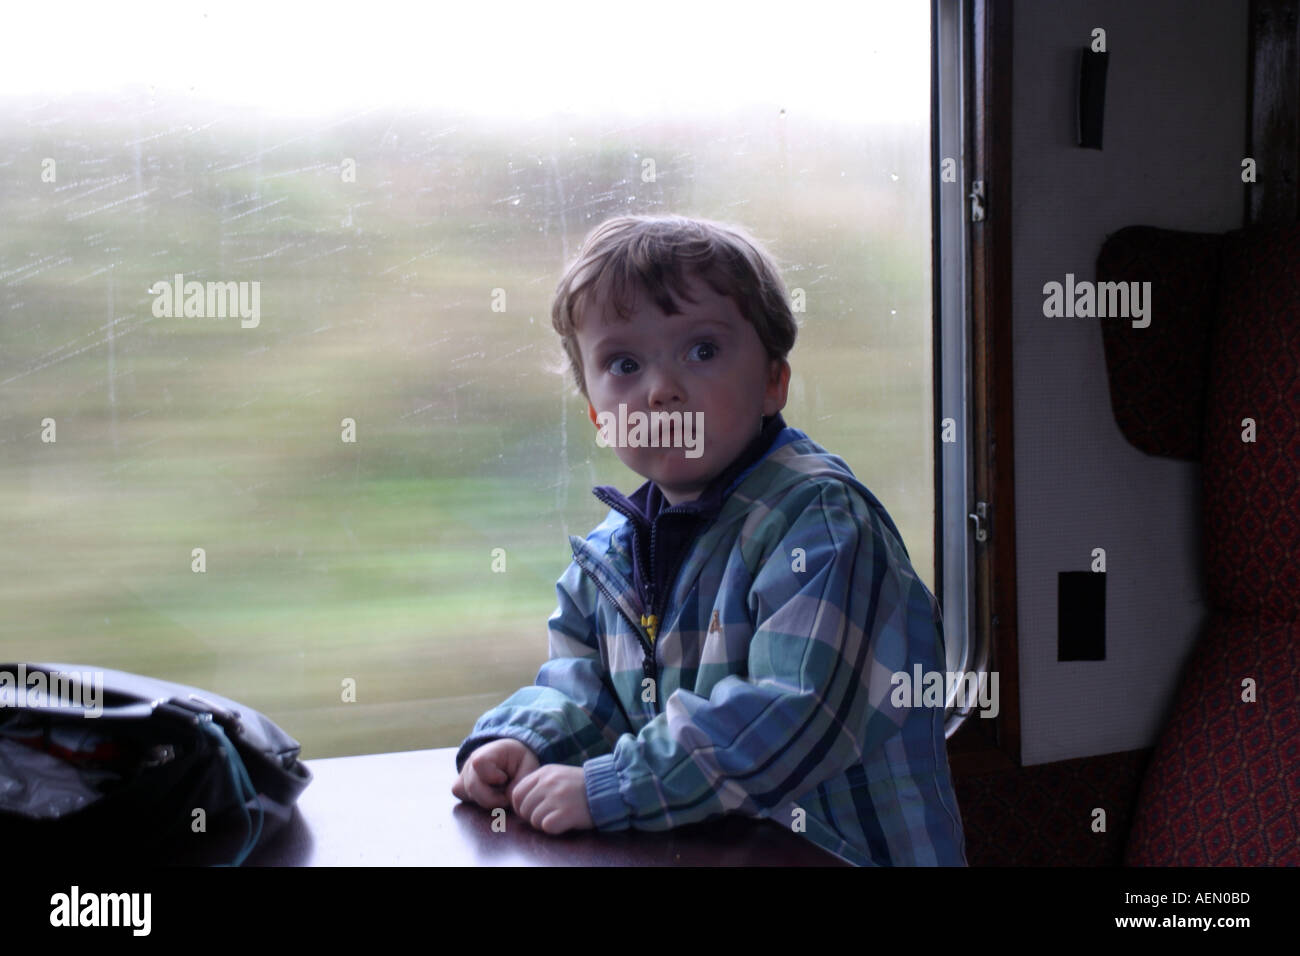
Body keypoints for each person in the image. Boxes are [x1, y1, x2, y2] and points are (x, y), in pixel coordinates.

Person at [451, 214, 967, 866]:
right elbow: (586, 696)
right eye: (624, 363)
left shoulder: (821, 525)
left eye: (702, 350)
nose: (662, 391)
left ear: (773, 383)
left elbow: (791, 713)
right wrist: (529, 743)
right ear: (596, 416)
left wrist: (613, 789)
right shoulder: (609, 558)